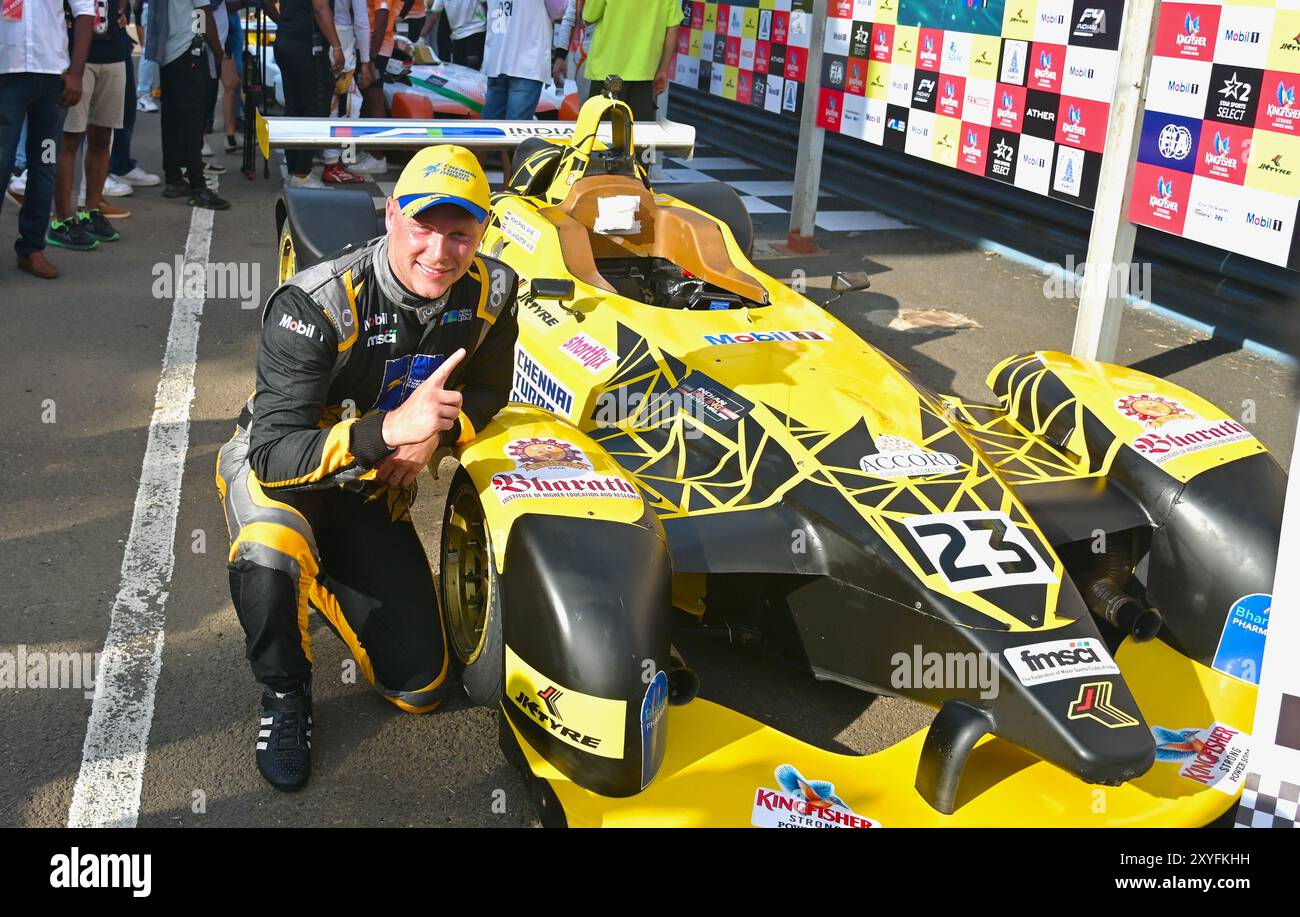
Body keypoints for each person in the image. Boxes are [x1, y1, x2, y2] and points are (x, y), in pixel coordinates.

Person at [216, 144, 519, 791]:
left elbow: (491, 391)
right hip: (282, 466)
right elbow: (273, 450)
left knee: (423, 687)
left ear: (482, 233)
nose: (439, 252)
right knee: (268, 553)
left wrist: (430, 437)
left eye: (460, 233)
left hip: (365, 478)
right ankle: (284, 694)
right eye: (423, 228)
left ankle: (321, 569)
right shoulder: (314, 303)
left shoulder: (495, 291)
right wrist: (390, 429)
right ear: (391, 216)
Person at [0, 0, 93, 279]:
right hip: (6, 79)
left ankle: (31, 249)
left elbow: (85, 11)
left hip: (53, 81)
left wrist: (77, 72)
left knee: (45, 163)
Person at [50, 0, 131, 249]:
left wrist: (122, 11)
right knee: (69, 138)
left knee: (102, 136)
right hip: (76, 57)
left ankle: (91, 211)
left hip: (114, 52)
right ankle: (62, 220)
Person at [144, 0, 231, 208]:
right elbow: (202, 12)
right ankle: (198, 187)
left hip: (168, 51)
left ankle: (173, 179)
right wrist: (218, 51)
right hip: (187, 50)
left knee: (171, 119)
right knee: (193, 120)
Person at [266, 0, 343, 187]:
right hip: (307, 46)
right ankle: (301, 174)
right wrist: (336, 46)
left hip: (286, 40)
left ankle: (295, 171)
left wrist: (285, 24)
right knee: (316, 108)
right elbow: (320, 8)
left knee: (295, 107)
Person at [581, 0, 680, 120]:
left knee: (602, 134)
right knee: (638, 135)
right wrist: (664, 69)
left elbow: (589, 16)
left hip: (607, 74)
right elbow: (673, 27)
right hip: (644, 75)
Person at [320, 0, 375, 183]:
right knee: (345, 104)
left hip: (317, 34)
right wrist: (366, 61)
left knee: (328, 101)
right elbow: (361, 20)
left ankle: (331, 158)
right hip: (341, 39)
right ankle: (333, 163)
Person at [480, 0, 562, 121]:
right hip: (527, 62)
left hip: (497, 58)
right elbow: (559, 11)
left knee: (491, 130)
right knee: (515, 131)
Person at [419, 0, 484, 69]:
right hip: (458, 35)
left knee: (472, 69)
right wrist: (421, 37)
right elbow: (433, 16)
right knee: (459, 69)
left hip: (476, 30)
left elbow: (486, 5)